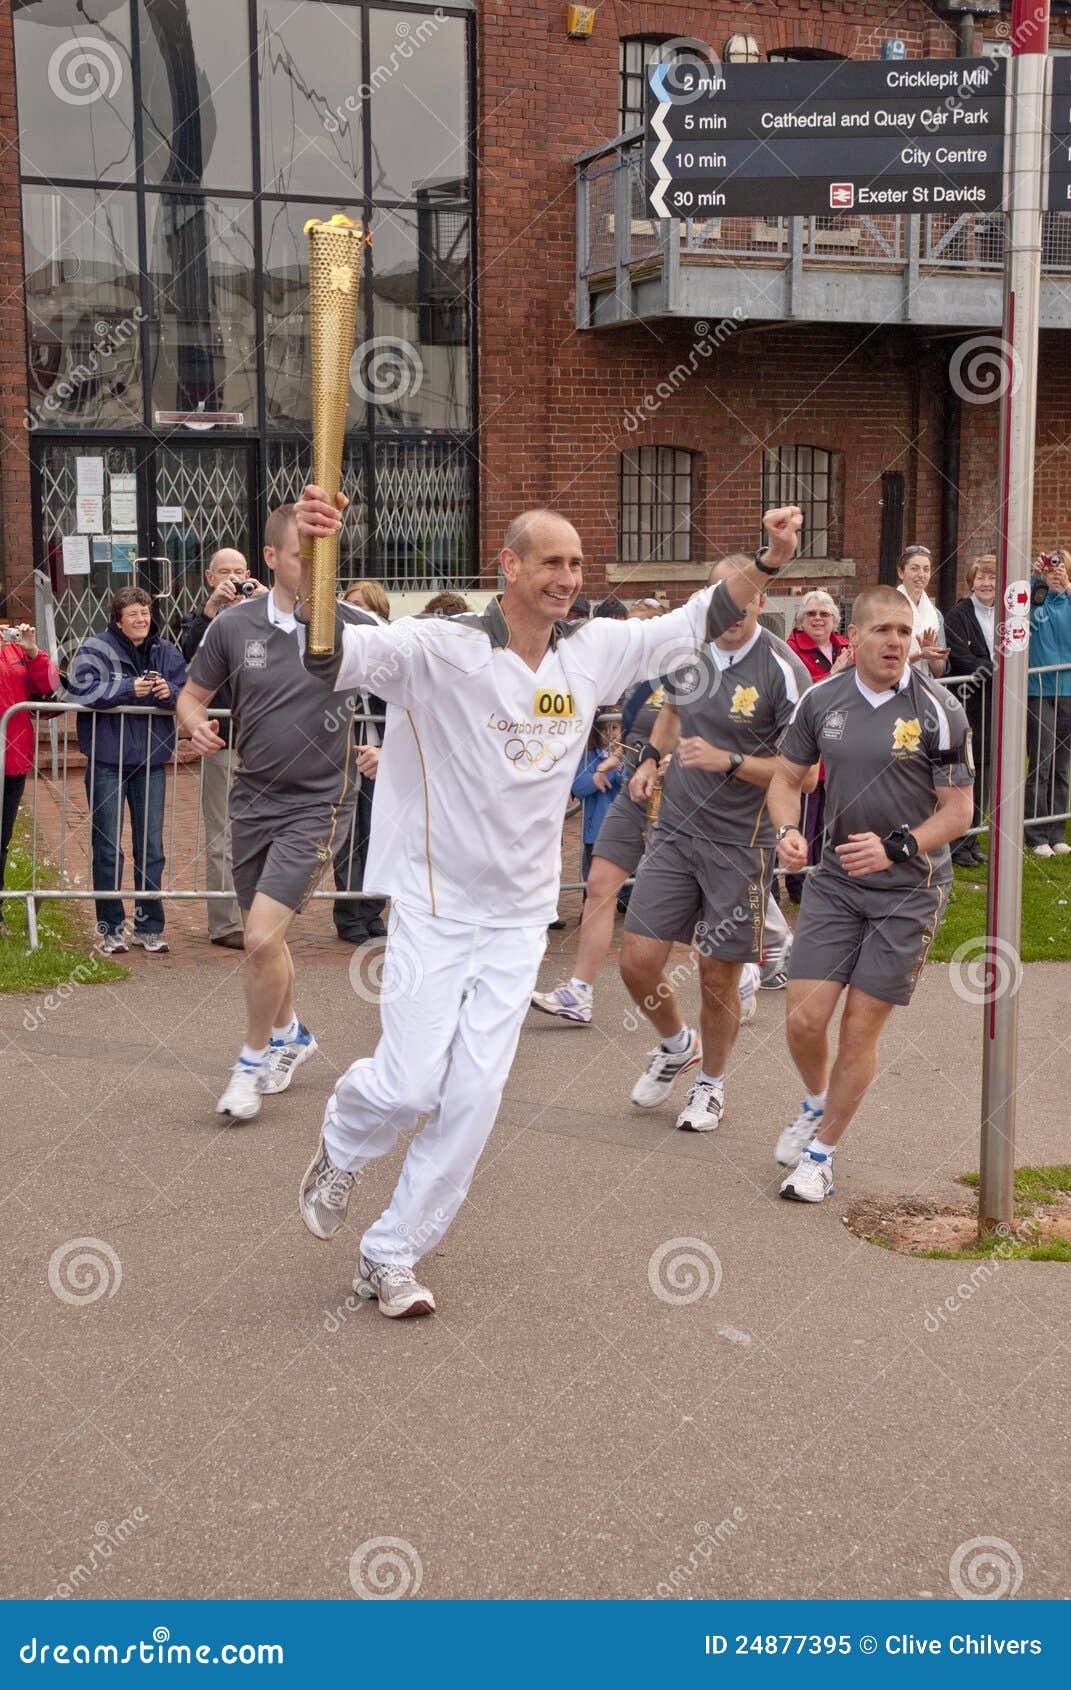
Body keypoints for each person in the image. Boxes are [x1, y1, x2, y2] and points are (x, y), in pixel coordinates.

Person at [294, 489, 805, 1318]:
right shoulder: (437, 646)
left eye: (576, 563)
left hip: (519, 917)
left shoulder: (594, 649)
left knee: (471, 1100)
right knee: (410, 1084)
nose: (567, 577)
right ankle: (345, 1140)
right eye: (551, 562)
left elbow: (698, 617)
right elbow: (327, 656)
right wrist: (319, 555)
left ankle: (390, 1254)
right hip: (433, 902)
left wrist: (769, 558)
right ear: (509, 565)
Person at [768, 584, 975, 1204]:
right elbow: (786, 779)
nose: (895, 642)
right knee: (805, 1020)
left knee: (859, 1027)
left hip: (910, 889)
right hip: (835, 881)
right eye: (882, 630)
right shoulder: (820, 701)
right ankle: (816, 1101)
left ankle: (820, 1154)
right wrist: (785, 830)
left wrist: (899, 846)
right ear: (851, 637)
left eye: (904, 633)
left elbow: (959, 811)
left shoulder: (940, 711)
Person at [176, 506, 366, 1120]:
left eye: (324, 559)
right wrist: (194, 723)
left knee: (258, 935)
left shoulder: (353, 627)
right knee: (267, 941)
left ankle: (249, 1064)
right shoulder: (233, 627)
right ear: (271, 559)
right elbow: (191, 693)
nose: (315, 570)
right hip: (252, 801)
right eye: (302, 558)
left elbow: (418, 696)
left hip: (318, 804)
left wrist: (389, 744)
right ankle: (292, 1036)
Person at [617, 559, 813, 1134]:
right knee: (636, 962)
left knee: (715, 973)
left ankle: (712, 1084)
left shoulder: (782, 668)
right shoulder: (689, 651)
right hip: (676, 830)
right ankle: (678, 1044)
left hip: (740, 841)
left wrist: (730, 762)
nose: (735, 610)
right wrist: (652, 758)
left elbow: (804, 773)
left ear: (761, 599)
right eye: (726, 599)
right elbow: (672, 712)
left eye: (747, 599)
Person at [66, 587, 186, 954]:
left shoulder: (166, 650)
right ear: (118, 618)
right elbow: (80, 690)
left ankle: (149, 927)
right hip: (107, 760)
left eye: (146, 612)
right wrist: (125, 688)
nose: (142, 619)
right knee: (106, 847)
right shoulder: (95, 649)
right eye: (134, 613)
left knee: (151, 847)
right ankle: (111, 928)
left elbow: (189, 692)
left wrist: (172, 693)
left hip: (150, 760)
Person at [178, 548, 268, 949]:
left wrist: (269, 603)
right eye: (224, 573)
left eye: (239, 573)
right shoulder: (202, 619)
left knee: (265, 833)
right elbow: (187, 655)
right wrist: (212, 610)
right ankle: (225, 922)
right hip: (223, 738)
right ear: (210, 577)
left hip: (266, 741)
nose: (233, 580)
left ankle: (260, 918)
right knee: (222, 835)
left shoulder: (267, 612)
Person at [785, 591, 854, 899]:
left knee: (832, 816)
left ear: (834, 620)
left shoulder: (845, 646)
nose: (817, 619)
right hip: (809, 747)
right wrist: (835, 672)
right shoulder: (791, 650)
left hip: (841, 744)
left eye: (824, 615)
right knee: (805, 817)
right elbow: (803, 695)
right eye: (811, 613)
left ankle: (826, 875)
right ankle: (799, 882)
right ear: (801, 619)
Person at [334, 582, 390, 944]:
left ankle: (373, 910)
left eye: (361, 607)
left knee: (379, 834)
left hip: (383, 757)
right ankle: (349, 912)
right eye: (349, 605)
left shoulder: (391, 646)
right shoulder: (339, 648)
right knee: (348, 837)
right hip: (345, 756)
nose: (354, 613)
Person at [0, 619, 60, 937]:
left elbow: (49, 687)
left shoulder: (13, 645)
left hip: (11, 757)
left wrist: (34, 653)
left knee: (1, 838)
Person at [943, 554, 996, 867]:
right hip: (968, 702)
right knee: (966, 771)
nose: (986, 583)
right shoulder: (958, 614)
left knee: (986, 771)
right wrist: (997, 667)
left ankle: (973, 836)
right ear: (971, 581)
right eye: (981, 578)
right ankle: (957, 842)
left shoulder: (1006, 614)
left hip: (994, 705)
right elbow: (962, 658)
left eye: (992, 578)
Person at [1024, 550, 1071, 857]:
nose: (1056, 572)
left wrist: (1067, 589)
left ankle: (1057, 830)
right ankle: (1036, 832)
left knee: (1062, 767)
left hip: (1067, 691)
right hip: (1038, 689)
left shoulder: (1068, 601)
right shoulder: (1036, 600)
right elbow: (1019, 609)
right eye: (1052, 568)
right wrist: (1035, 576)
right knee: (1040, 763)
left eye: (1062, 568)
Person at [896, 544, 948, 679]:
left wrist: (932, 656)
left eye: (926, 569)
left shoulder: (936, 615)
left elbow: (939, 671)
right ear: (901, 572)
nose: (921, 575)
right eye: (914, 569)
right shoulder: (888, 608)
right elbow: (880, 660)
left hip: (924, 689)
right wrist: (919, 654)